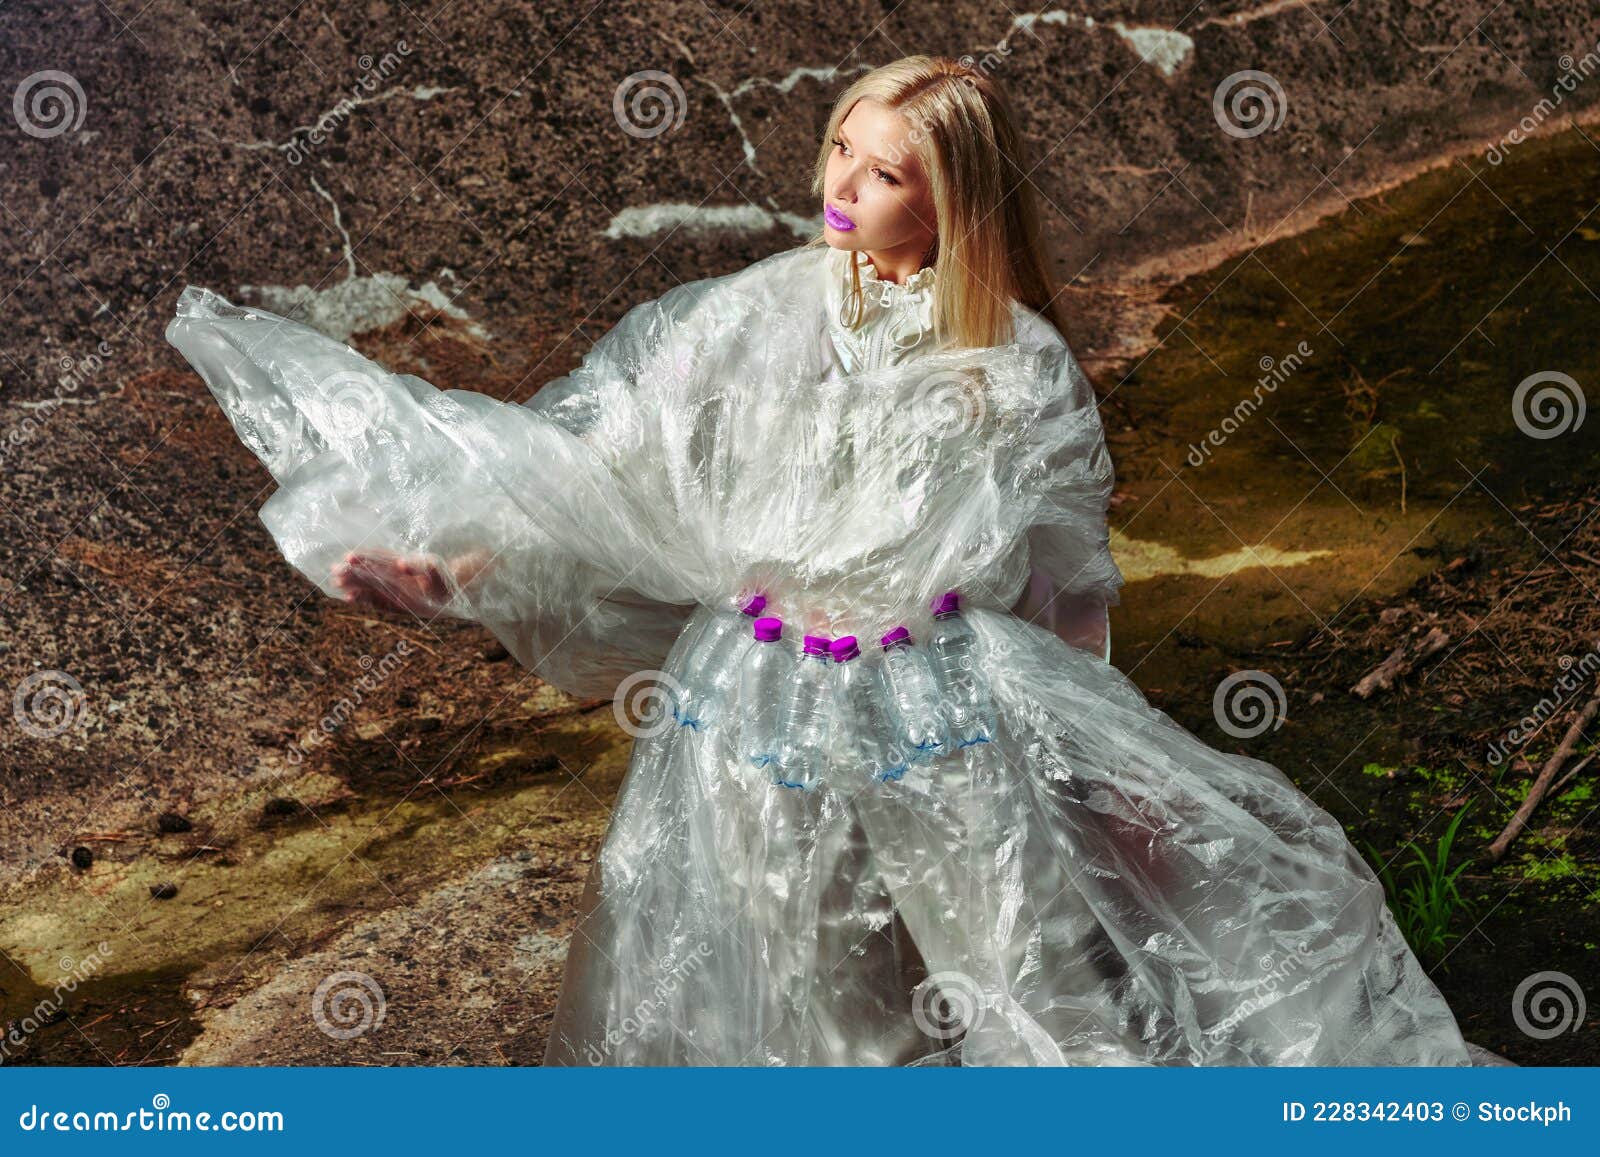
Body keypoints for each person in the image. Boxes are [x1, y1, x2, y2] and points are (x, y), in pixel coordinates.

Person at [166, 54, 1506, 1067]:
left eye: (881, 174)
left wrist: (1098, 754)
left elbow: (1064, 574)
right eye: (837, 156)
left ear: (955, 197)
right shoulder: (758, 314)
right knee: (772, 948)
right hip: (753, 700)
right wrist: (450, 569)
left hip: (940, 702)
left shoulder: (1016, 368)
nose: (840, 192)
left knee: (1011, 950)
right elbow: (605, 453)